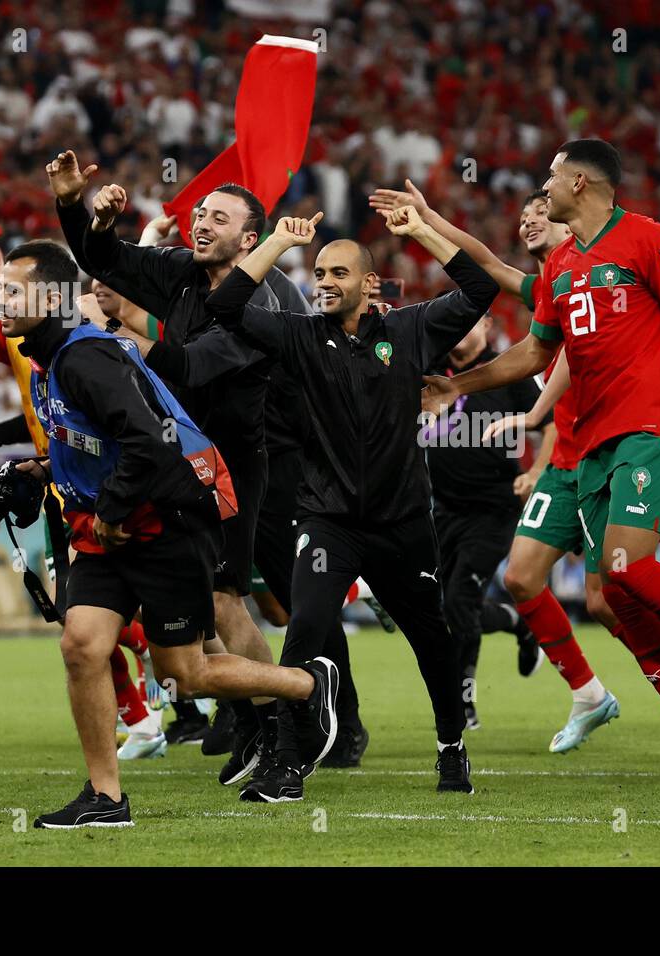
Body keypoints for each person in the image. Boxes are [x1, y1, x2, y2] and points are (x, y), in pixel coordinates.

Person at [423, 139, 660, 797]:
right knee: (616, 596)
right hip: (593, 448)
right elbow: (532, 353)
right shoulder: (561, 265)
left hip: (653, 428)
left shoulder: (650, 240)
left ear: (579, 182)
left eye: (550, 177)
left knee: (626, 569)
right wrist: (458, 386)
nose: (542, 188)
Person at [0, 238, 338, 828]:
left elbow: (149, 440)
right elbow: (97, 440)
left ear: (51, 299)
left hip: (165, 523)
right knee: (82, 646)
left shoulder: (84, 357)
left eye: (11, 291)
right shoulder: (50, 358)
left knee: (184, 674)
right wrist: (43, 471)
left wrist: (111, 510)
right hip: (112, 526)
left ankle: (307, 684)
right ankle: (106, 798)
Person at [48, 151, 366, 786]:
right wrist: (77, 207)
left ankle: (289, 716)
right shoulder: (182, 271)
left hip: (236, 468)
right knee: (191, 611)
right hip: (173, 461)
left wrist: (120, 347)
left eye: (218, 218)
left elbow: (191, 367)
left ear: (249, 240)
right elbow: (103, 261)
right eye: (199, 213)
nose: (200, 223)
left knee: (230, 602)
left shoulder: (262, 305)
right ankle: (256, 719)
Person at [211, 206, 495, 802]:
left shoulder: (411, 329)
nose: (324, 282)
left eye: (338, 273)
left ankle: (451, 746)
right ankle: (288, 763)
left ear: (370, 283)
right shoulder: (299, 335)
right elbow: (226, 305)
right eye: (318, 273)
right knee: (305, 628)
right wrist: (276, 243)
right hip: (327, 520)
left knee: (432, 641)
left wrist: (421, 231)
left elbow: (480, 288)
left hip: (403, 525)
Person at [368, 183, 621, 753]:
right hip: (527, 475)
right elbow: (483, 261)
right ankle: (591, 690)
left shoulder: (591, 277)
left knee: (607, 598)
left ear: (573, 222)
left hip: (600, 450)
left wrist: (531, 426)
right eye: (526, 215)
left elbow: (541, 364)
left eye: (543, 212)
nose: (531, 220)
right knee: (523, 584)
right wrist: (428, 219)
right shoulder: (548, 288)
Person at [0, 214, 163, 760]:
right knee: (80, 621)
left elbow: (103, 407)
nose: (1, 300)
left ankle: (174, 694)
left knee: (159, 626)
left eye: (12, 290)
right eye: (1, 289)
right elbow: (54, 410)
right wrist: (2, 432)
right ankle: (146, 715)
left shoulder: (78, 339)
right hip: (69, 483)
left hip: (115, 487)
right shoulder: (34, 337)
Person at [423, 314, 547, 730]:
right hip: (444, 509)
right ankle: (519, 623)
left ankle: (463, 702)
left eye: (470, 320)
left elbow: (551, 425)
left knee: (459, 600)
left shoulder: (507, 371)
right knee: (444, 606)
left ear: (488, 325)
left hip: (494, 509)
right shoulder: (429, 371)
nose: (460, 329)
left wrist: (535, 473)